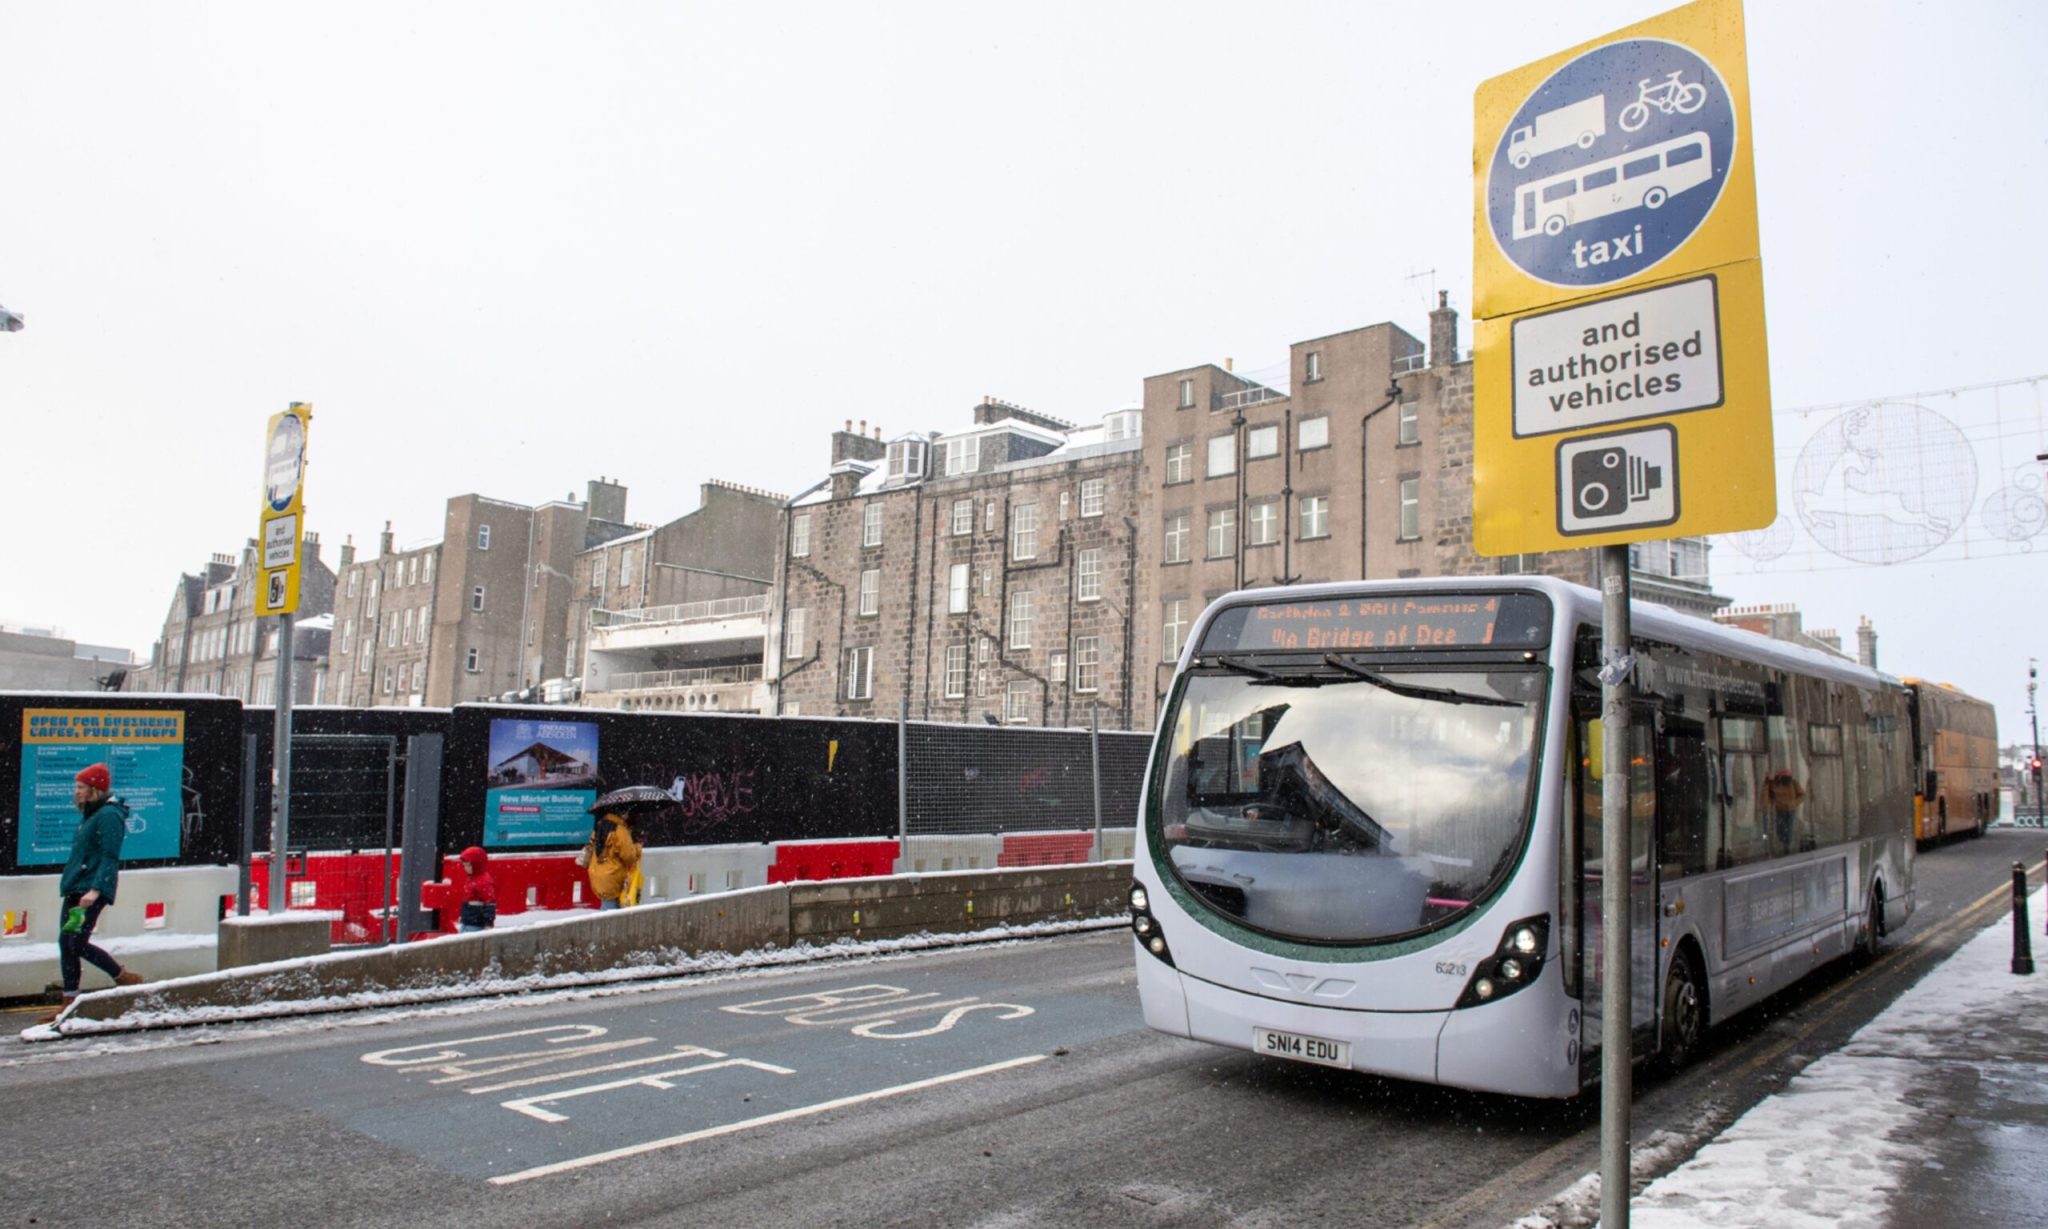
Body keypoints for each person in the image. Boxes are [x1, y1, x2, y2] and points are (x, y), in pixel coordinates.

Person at [40, 763, 144, 1023]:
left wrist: (95, 890)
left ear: (94, 789)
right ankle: (70, 1001)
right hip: (78, 885)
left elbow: (109, 855)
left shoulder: (108, 815)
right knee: (67, 943)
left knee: (75, 942)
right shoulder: (92, 813)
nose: (76, 791)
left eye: (81, 787)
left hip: (90, 889)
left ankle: (122, 978)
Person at [581, 808, 643, 910]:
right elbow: (629, 857)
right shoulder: (620, 831)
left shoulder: (600, 826)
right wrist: (637, 848)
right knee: (610, 916)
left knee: (607, 908)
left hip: (598, 873)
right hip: (612, 876)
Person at [1764, 768, 1806, 852]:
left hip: (1791, 810)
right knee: (1780, 829)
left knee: (1788, 828)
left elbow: (1802, 795)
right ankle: (1783, 842)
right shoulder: (1775, 784)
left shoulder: (1793, 783)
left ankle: (1787, 846)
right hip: (1780, 809)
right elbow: (1769, 795)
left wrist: (1794, 803)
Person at [456, 846, 497, 932]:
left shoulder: (483, 881)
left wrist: (488, 923)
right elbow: (469, 900)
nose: (465, 868)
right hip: (468, 921)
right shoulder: (472, 878)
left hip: (476, 924)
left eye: (468, 865)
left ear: (476, 864)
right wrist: (463, 916)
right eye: (464, 865)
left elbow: (490, 903)